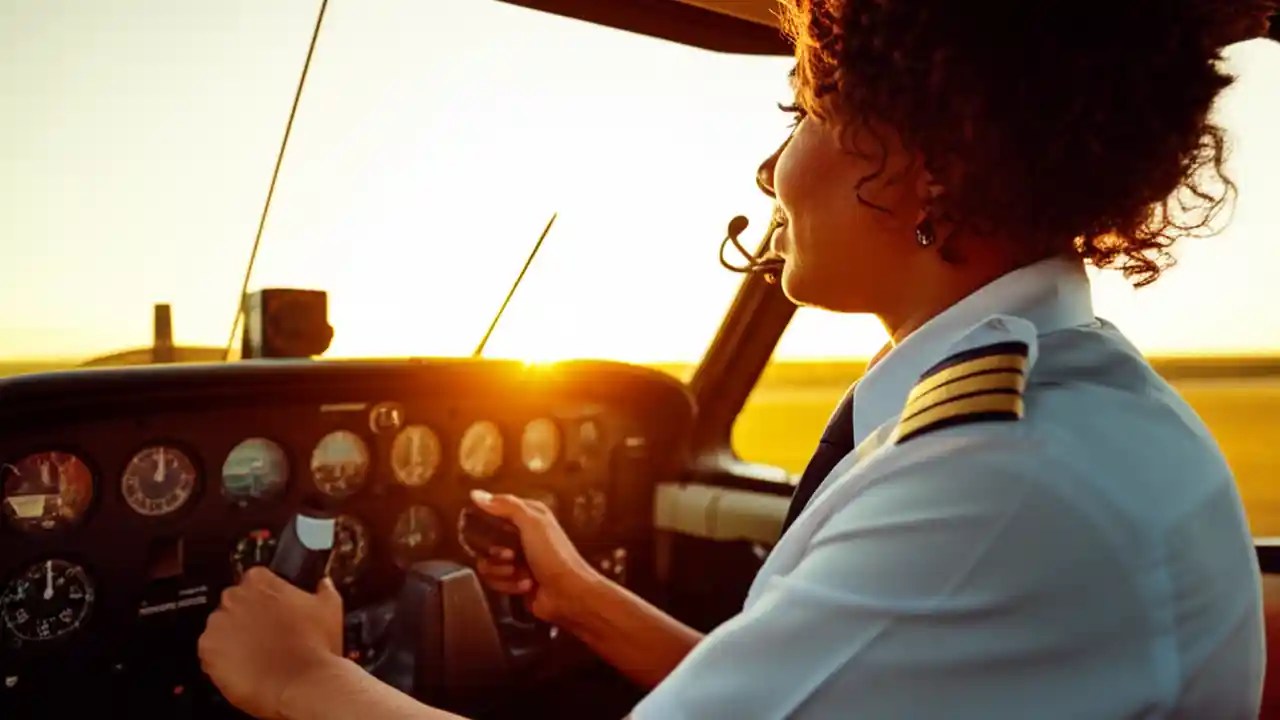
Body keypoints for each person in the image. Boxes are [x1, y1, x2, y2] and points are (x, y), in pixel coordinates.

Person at [196, 1, 1275, 717]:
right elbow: (808, 689)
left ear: (925, 163)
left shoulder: (994, 484)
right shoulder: (1068, 403)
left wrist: (302, 677)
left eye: (802, 112)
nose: (768, 169)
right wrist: (578, 596)